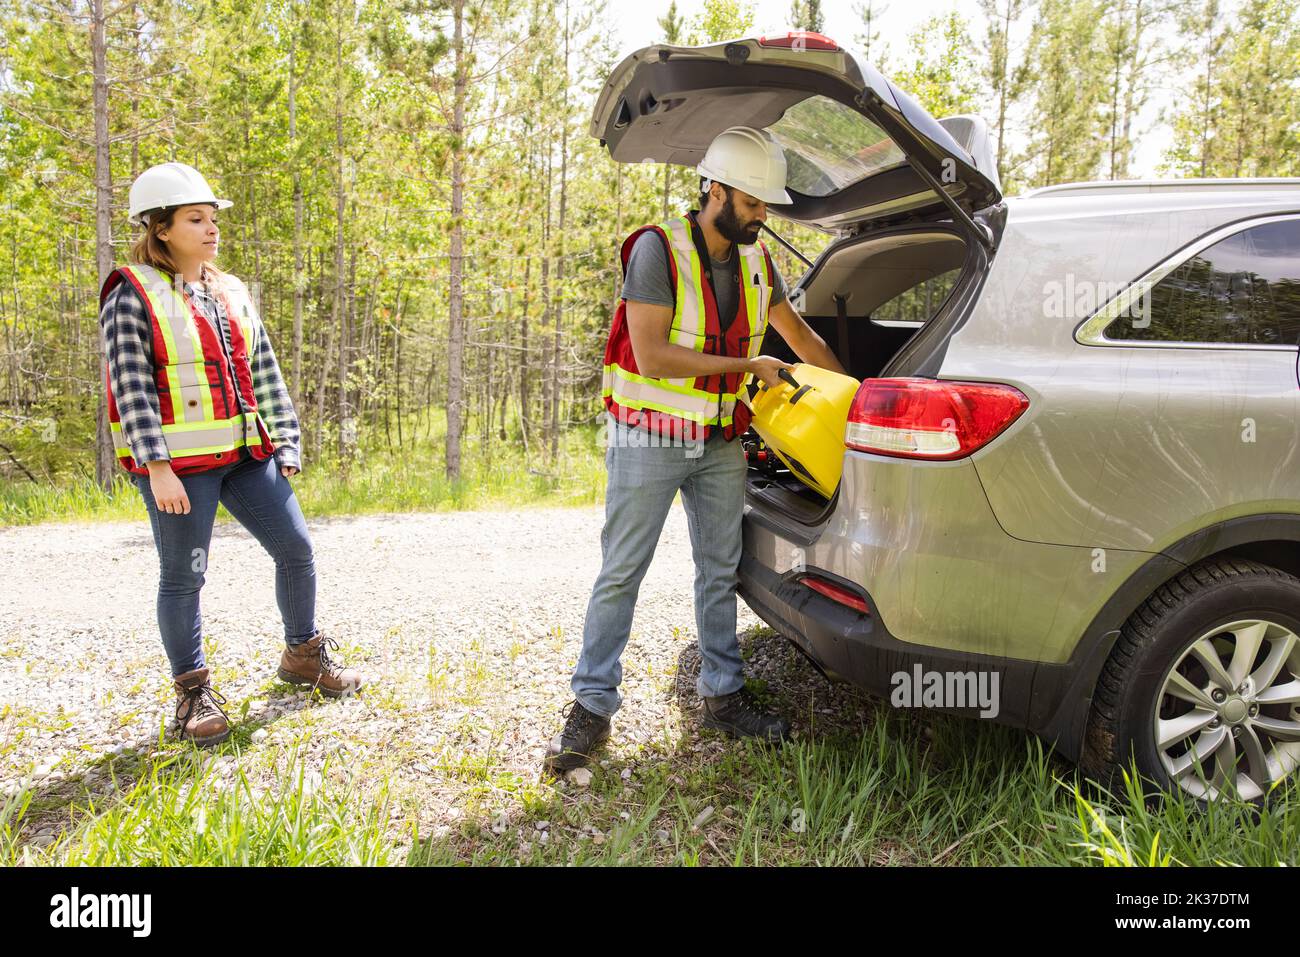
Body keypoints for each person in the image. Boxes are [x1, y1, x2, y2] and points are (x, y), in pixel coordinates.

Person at [545, 127, 847, 772]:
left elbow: (800, 336)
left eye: (766, 205)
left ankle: (724, 693)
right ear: (716, 190)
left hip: (719, 442)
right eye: (755, 203)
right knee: (622, 571)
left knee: (719, 571)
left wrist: (855, 391)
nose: (763, 215)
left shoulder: (759, 263)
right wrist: (749, 362)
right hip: (649, 435)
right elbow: (652, 353)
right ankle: (591, 707)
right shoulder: (657, 250)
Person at [98, 162, 364, 748]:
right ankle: (192, 696)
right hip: (181, 471)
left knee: (296, 549)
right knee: (185, 577)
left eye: (213, 218)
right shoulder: (131, 291)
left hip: (246, 455)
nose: (211, 228)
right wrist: (156, 467)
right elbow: (130, 384)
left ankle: (303, 655)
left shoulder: (230, 289)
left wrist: (285, 437)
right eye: (196, 219)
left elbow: (262, 369)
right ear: (161, 228)